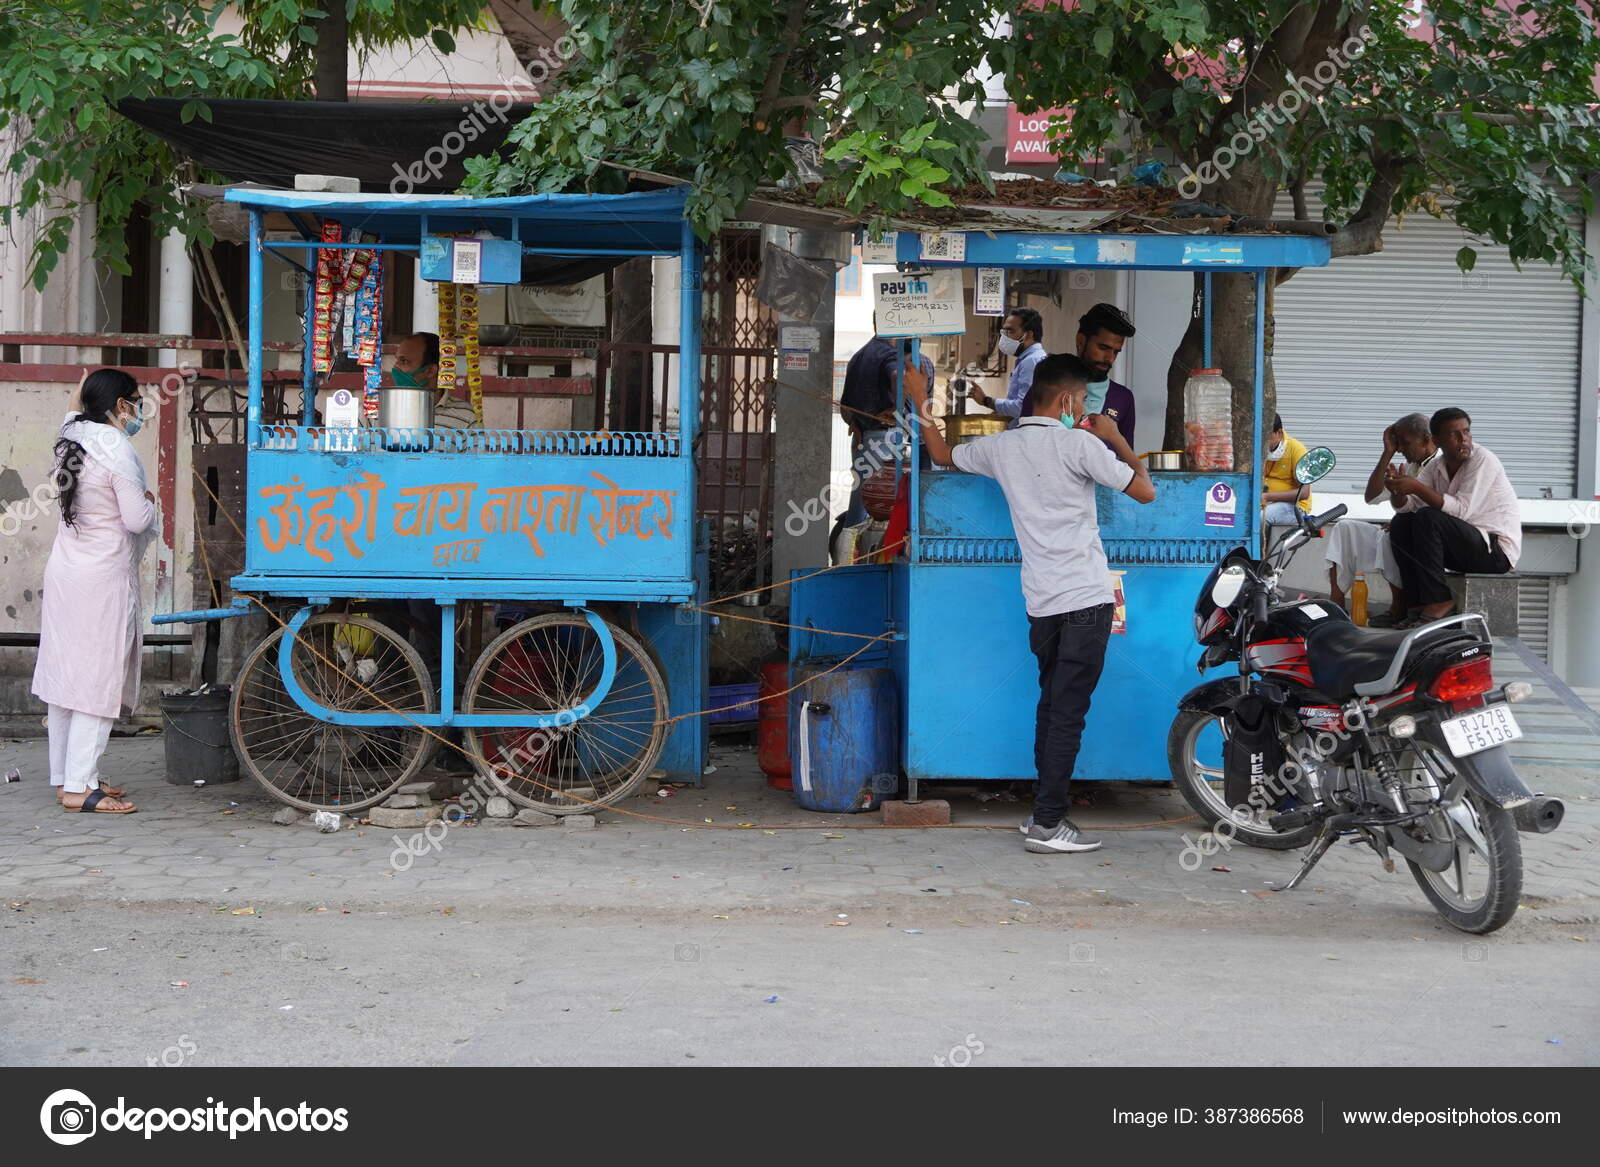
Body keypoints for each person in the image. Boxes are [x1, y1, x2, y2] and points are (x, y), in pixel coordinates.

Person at [903, 352, 1155, 855]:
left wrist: (920, 403)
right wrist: (1115, 438)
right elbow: (1145, 491)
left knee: (1052, 705)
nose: (1083, 407)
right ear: (1066, 399)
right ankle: (1047, 823)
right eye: (1081, 399)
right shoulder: (1081, 444)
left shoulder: (1002, 447)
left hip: (1041, 601)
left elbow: (944, 455)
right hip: (1085, 596)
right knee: (1067, 713)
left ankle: (1043, 810)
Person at [31, 369, 156, 813]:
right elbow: (137, 520)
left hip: (66, 574)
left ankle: (66, 776)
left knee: (67, 677)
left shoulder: (71, 436)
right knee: (96, 679)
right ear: (121, 406)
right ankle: (80, 788)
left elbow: (73, 405)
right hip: (101, 579)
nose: (140, 409)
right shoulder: (116, 448)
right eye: (136, 401)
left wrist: (84, 385)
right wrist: (148, 500)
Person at [1387, 407, 1520, 625]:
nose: (1463, 440)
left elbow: (1461, 510)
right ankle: (1418, 603)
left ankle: (1439, 601)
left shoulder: (1483, 460)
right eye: (1454, 435)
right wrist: (1397, 491)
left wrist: (1416, 488)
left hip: (1495, 552)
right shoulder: (1437, 465)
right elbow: (1407, 507)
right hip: (1464, 547)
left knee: (1428, 517)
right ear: (1436, 440)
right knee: (1402, 523)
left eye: (1466, 432)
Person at [1323, 412, 1439, 624]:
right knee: (1345, 528)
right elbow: (1372, 497)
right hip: (1398, 530)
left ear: (1426, 440)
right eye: (1398, 444)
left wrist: (1398, 522)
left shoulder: (1440, 463)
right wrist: (1387, 453)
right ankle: (1336, 605)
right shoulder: (1412, 466)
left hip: (1424, 538)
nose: (1401, 449)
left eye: (1405, 443)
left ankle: (1399, 607)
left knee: (1392, 534)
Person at [837, 328, 934, 527]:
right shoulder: (890, 355)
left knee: (860, 509)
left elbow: (844, 405)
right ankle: (866, 555)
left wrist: (853, 423)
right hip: (886, 441)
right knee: (884, 514)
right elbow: (897, 376)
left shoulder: (858, 356)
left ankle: (847, 555)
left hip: (864, 438)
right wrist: (898, 407)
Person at [1069, 302, 1138, 448]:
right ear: (1080, 341)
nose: (1110, 358)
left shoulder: (1123, 398)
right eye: (1103, 348)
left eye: (1116, 351)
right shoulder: (1046, 388)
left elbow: (1127, 461)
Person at [966, 307, 1046, 423]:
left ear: (1028, 335)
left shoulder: (1031, 362)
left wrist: (986, 401)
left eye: (1010, 331)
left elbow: (1022, 408)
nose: (1005, 337)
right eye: (1004, 332)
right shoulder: (1029, 359)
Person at [392, 331, 478, 430]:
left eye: (404, 361)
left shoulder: (466, 416)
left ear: (430, 371)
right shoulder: (379, 411)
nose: (395, 367)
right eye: (397, 360)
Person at [1261, 414, 1313, 526]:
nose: (1262, 441)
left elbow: (1304, 492)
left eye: (1266, 436)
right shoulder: (1256, 448)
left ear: (1279, 433)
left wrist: (1267, 496)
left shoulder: (1296, 449)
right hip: (1262, 503)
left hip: (1294, 507)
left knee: (1260, 518)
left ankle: (1262, 544)